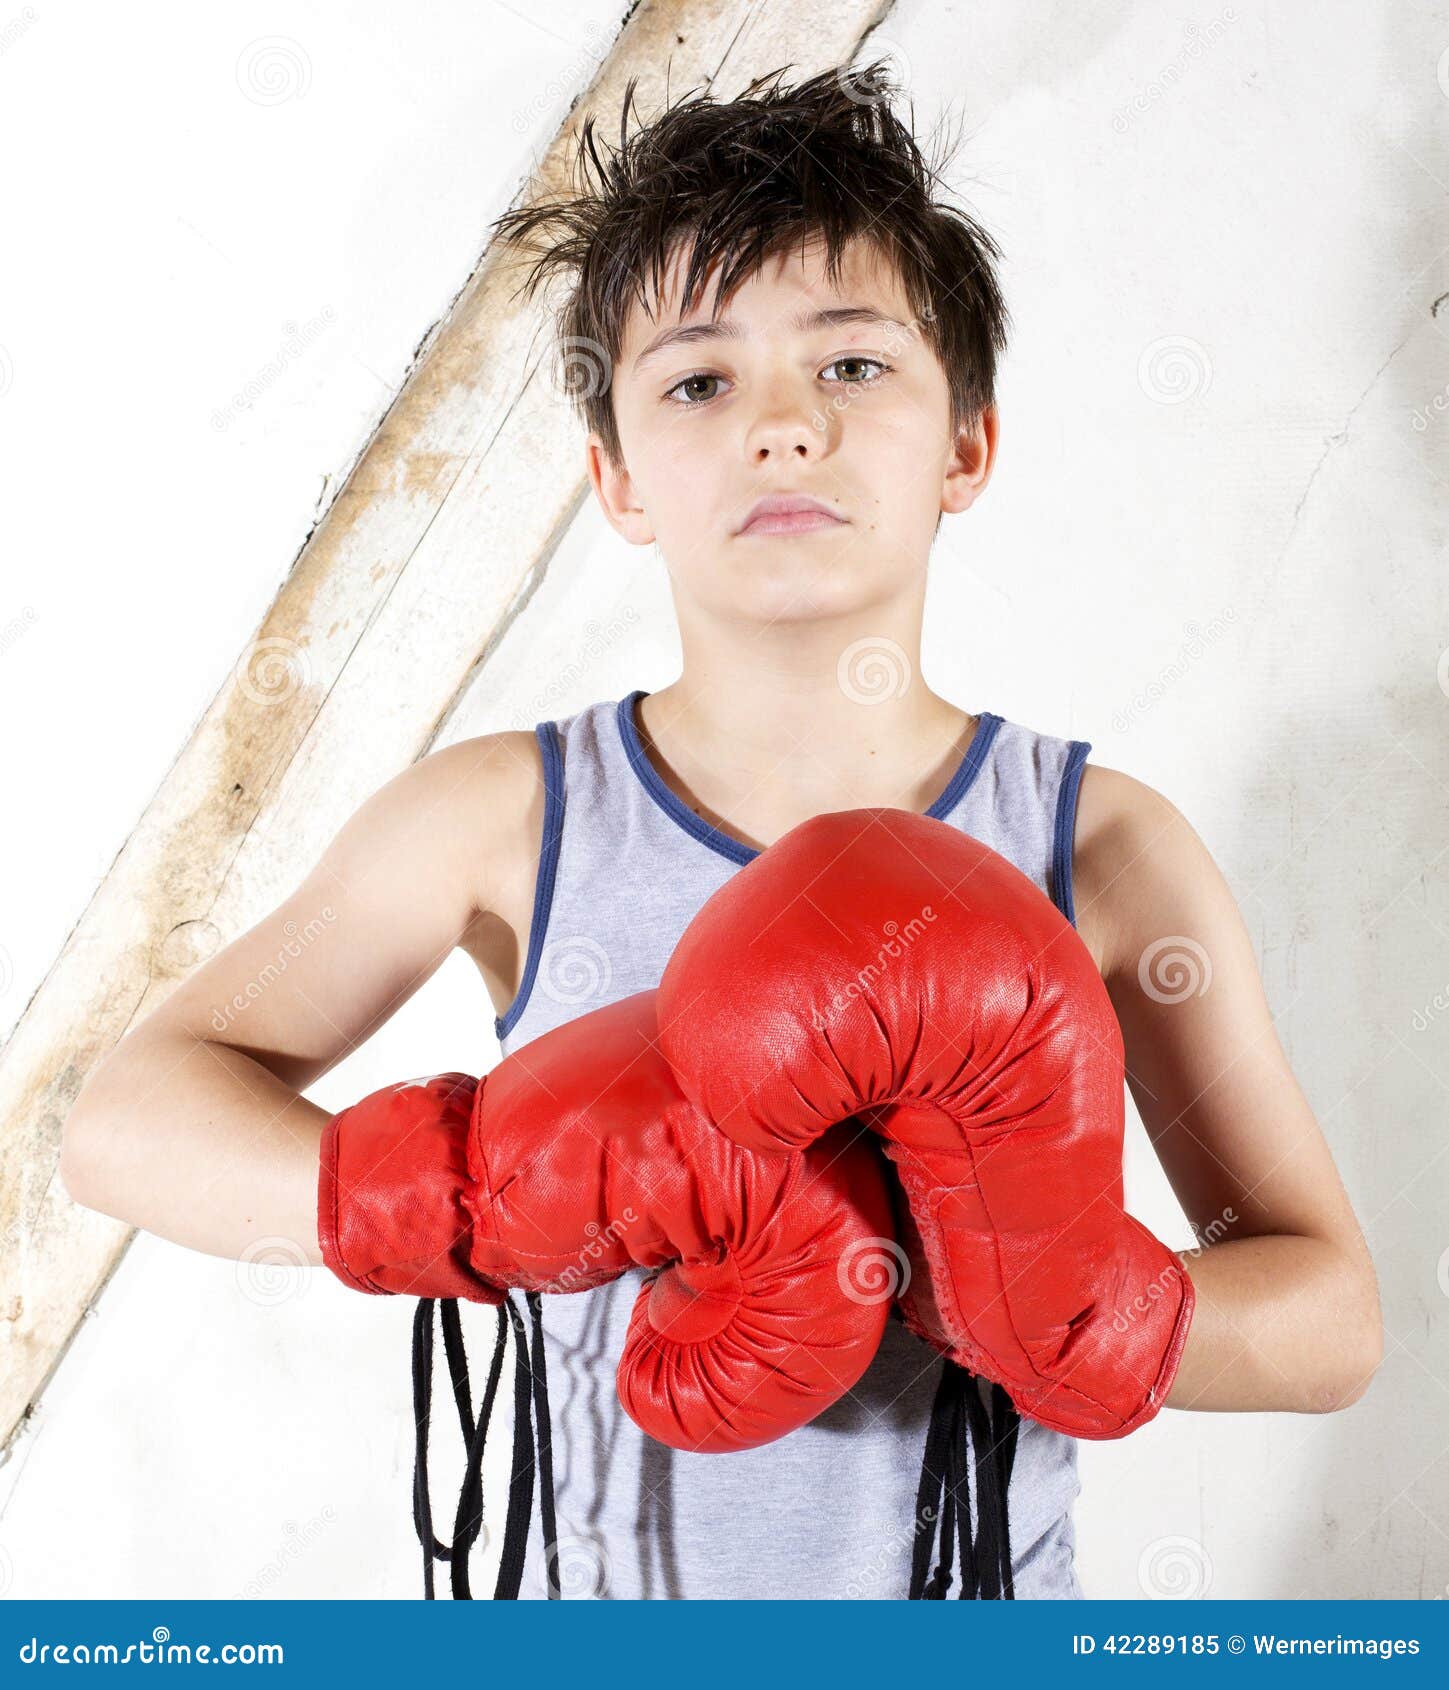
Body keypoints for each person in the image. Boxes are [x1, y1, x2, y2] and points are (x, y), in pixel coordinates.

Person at [60, 60, 1382, 1600]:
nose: (777, 426)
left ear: (966, 441)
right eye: (698, 380)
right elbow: (124, 1121)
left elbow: (1328, 1319)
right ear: (615, 479)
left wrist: (1074, 1300)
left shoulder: (1095, 846)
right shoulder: (504, 818)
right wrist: (481, 1195)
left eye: (849, 365)